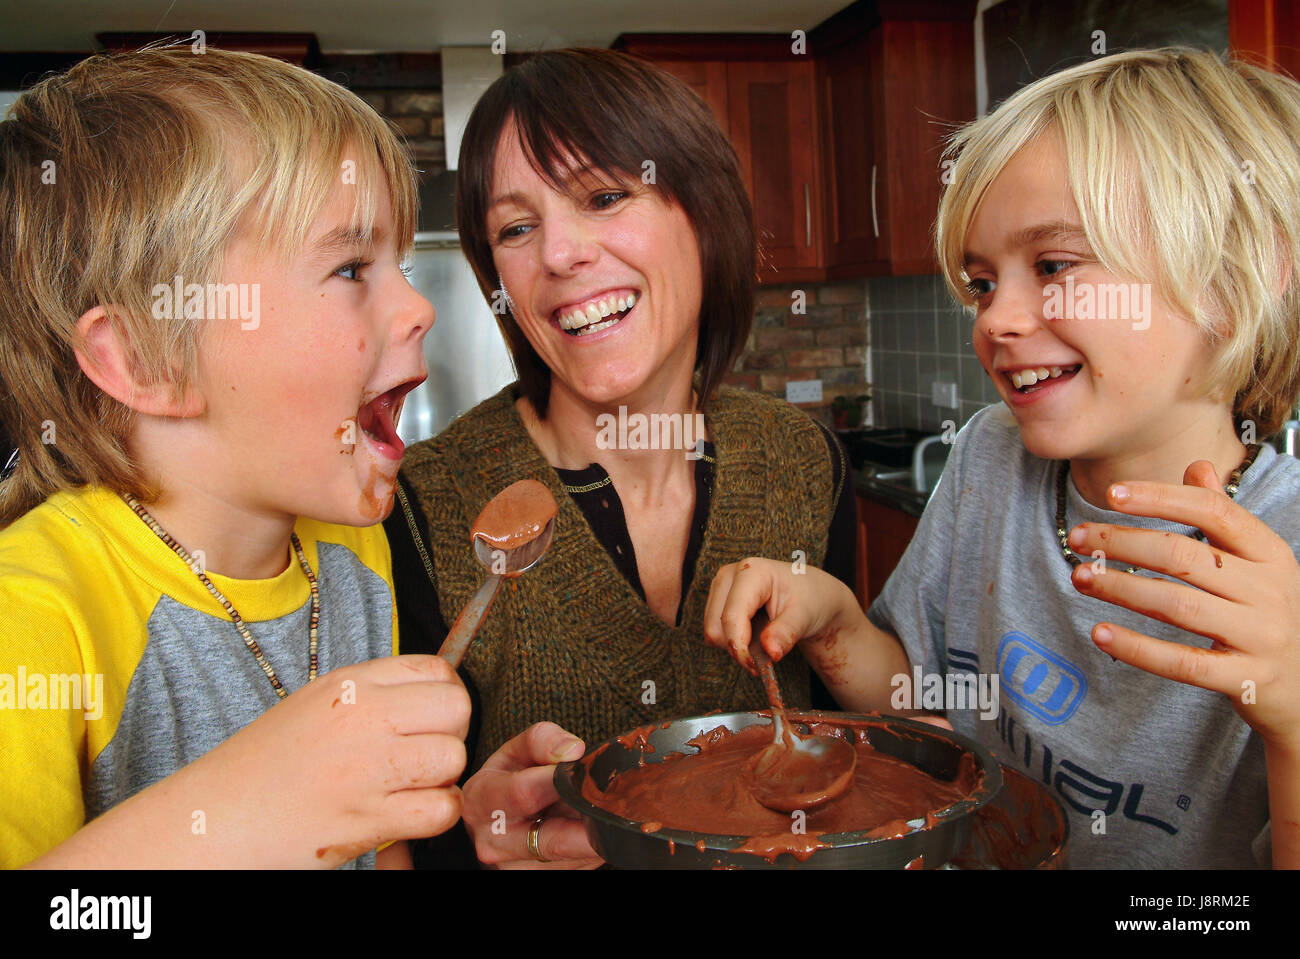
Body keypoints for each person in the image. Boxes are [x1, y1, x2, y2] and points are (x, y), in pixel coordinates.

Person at [705, 48, 1300, 868]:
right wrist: (836, 621)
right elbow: (925, 714)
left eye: (1054, 265)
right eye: (984, 283)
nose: (995, 321)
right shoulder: (992, 455)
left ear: (1240, 281)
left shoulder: (1288, 546)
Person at [385, 48, 858, 867]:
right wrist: (469, 833)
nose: (560, 254)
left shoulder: (804, 460)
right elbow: (392, 830)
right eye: (516, 228)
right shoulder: (427, 502)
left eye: (605, 196)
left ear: (706, 215)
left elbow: (869, 748)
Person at [0, 46, 470, 868]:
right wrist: (237, 810)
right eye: (352, 266)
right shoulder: (31, 617)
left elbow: (375, 841)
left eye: (399, 262)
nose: (420, 305)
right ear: (148, 357)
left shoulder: (351, 546)